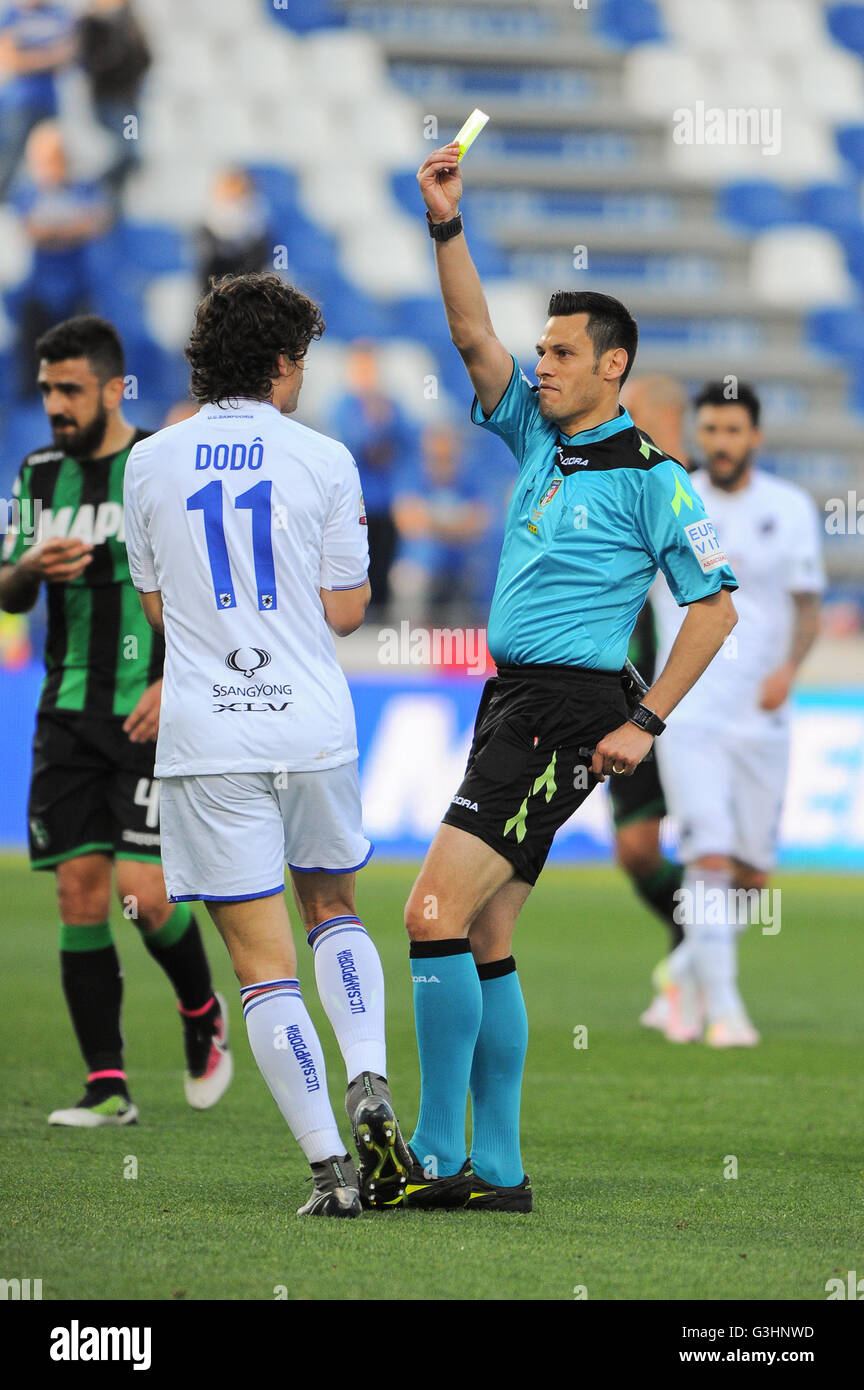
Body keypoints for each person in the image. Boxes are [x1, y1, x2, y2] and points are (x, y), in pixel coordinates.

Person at [399, 140, 739, 1213]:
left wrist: (645, 719)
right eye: (538, 349)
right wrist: (447, 222)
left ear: (613, 366)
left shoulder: (655, 481)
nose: (537, 364)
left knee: (429, 913)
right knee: (487, 932)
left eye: (558, 352)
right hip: (513, 699)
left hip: (572, 708)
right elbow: (467, 333)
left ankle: (434, 1153)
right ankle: (496, 1170)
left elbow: (716, 608)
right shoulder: (538, 439)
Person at [123, 272, 411, 1218]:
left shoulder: (150, 461)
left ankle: (331, 1168)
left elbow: (160, 608)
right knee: (332, 906)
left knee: (261, 964)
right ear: (284, 363)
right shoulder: (324, 458)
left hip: (209, 736)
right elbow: (344, 610)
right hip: (311, 727)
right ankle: (368, 1075)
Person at [0, 315, 230, 1126]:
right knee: (78, 891)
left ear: (110, 387)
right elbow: (10, 592)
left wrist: (176, 682)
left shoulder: (156, 469)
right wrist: (24, 568)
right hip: (65, 712)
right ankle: (108, 1086)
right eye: (47, 391)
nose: (56, 406)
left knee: (147, 895)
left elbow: (204, 589)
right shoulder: (36, 475)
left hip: (148, 709)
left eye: (69, 390)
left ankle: (201, 1010)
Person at [650, 381, 824, 1047]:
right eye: (710, 431)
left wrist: (787, 670)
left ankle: (684, 971)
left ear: (755, 437)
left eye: (733, 431)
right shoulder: (673, 500)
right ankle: (724, 1011)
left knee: (751, 870)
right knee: (711, 857)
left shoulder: (792, 508)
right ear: (698, 435)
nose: (720, 443)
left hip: (763, 715)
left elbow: (807, 608)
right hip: (689, 714)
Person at [611, 375, 690, 1030]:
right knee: (637, 849)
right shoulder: (621, 490)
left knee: (724, 859)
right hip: (629, 699)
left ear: (668, 417)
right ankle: (692, 942)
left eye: (633, 413)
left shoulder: (693, 497)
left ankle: (696, 973)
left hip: (694, 708)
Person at [10, 121, 112, 396]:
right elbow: (30, 230)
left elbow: (96, 223)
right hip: (37, 290)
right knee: (32, 345)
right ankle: (31, 403)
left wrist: (53, 231)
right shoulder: (24, 191)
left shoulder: (86, 187)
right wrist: (69, 228)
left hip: (78, 287)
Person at [330, 341, 414, 616]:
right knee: (356, 568)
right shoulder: (344, 405)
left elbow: (407, 442)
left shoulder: (391, 404)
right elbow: (357, 444)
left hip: (385, 502)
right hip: (355, 504)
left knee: (383, 568)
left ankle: (381, 622)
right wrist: (377, 426)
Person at [390, 421, 491, 621]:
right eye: (436, 456)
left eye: (448, 457)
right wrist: (456, 523)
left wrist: (430, 520)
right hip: (420, 566)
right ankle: (407, 641)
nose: (442, 462)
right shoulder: (412, 474)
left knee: (482, 573)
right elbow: (407, 522)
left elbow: (480, 522)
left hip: (460, 564)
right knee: (408, 579)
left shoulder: (469, 476)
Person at [0, 0, 76, 199]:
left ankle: (50, 211)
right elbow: (11, 60)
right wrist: (49, 56)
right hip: (17, 103)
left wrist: (31, 57)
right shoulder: (10, 14)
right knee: (9, 161)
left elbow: (68, 53)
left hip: (50, 100)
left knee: (52, 161)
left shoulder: (58, 13)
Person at [77, 0, 151, 204]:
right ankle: (96, 188)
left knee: (132, 154)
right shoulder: (92, 23)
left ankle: (112, 203)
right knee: (125, 153)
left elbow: (144, 58)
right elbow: (93, 63)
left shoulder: (131, 21)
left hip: (130, 104)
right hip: (107, 102)